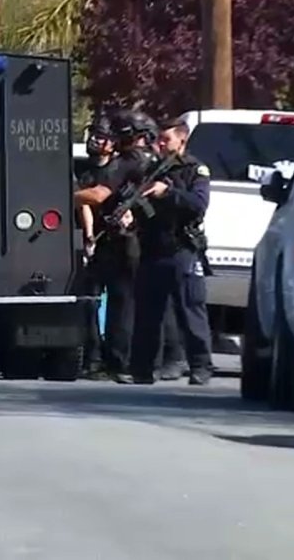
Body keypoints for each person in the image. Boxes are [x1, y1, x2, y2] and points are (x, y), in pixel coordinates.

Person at [126, 116, 214, 385]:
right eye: (159, 140)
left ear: (182, 140)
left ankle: (200, 367)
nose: (161, 145)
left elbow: (197, 204)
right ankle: (142, 369)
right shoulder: (152, 169)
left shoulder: (194, 170)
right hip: (153, 248)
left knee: (190, 309)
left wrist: (169, 192)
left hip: (181, 248)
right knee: (147, 314)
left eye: (167, 140)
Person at [74, 111, 157, 381]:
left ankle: (116, 362)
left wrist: (57, 195)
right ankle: (116, 361)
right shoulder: (151, 160)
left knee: (119, 305)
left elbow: (98, 195)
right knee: (122, 304)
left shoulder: (129, 161)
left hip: (123, 242)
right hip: (133, 241)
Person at [75, 117, 116, 378]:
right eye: (94, 134)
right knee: (89, 302)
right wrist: (89, 237)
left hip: (119, 243)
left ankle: (115, 356)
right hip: (93, 244)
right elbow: (84, 205)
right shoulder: (84, 172)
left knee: (120, 305)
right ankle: (93, 357)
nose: (95, 140)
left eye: (102, 136)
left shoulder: (119, 169)